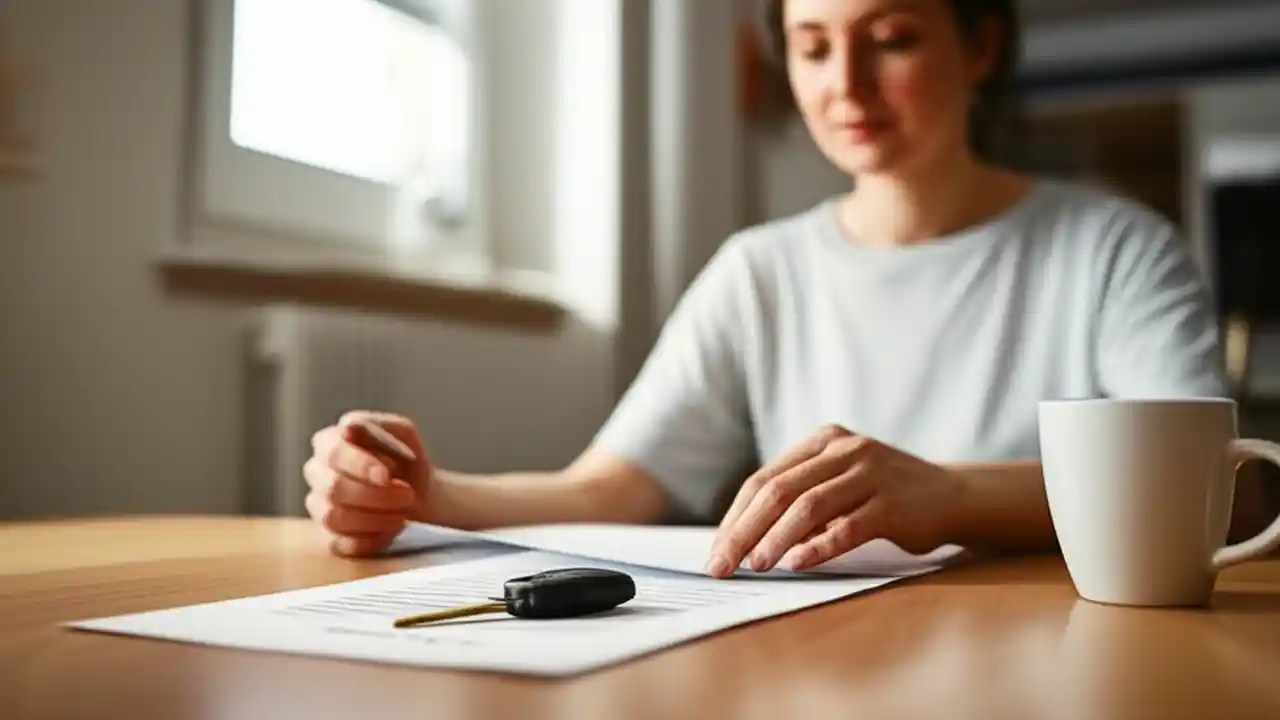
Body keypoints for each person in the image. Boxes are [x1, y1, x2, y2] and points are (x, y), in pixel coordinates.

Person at [302, 0, 1258, 576]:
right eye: (810, 45)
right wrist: (430, 496)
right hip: (825, 665)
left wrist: (943, 493)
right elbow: (608, 487)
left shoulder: (1116, 248)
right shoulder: (760, 271)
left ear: (978, 47)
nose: (846, 83)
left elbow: (1213, 496)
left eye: (890, 37)